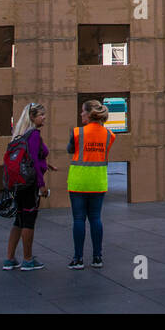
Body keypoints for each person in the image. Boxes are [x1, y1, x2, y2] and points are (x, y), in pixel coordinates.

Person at [3, 103, 54, 270]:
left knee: (18, 220)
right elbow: (32, 160)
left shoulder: (19, 135)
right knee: (29, 221)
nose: (44, 117)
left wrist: (46, 164)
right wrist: (41, 185)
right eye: (41, 114)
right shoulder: (33, 135)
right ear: (32, 117)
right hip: (30, 184)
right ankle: (28, 258)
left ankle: (9, 258)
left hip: (18, 184)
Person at [67, 100, 116, 270]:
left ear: (89, 114)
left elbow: (70, 150)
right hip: (98, 181)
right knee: (95, 218)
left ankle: (78, 259)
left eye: (82, 111)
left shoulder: (77, 132)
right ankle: (97, 258)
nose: (81, 114)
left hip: (78, 182)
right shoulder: (109, 135)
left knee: (79, 219)